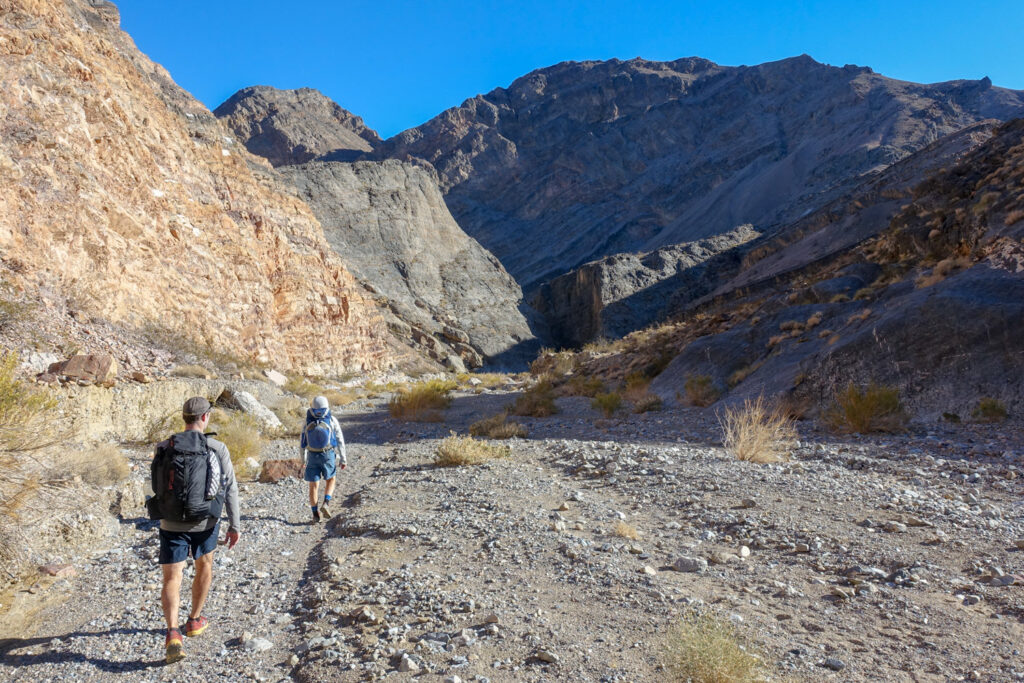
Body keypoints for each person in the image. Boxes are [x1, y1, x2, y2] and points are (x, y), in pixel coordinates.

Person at [153, 396, 240, 664]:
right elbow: (230, 488)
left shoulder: (164, 446)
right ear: (206, 417)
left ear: (184, 418)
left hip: (171, 522)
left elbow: (156, 484)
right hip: (206, 522)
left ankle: (173, 633)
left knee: (172, 577)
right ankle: (194, 620)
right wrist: (234, 524)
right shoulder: (217, 447)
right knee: (205, 565)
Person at [300, 395, 346, 523]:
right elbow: (340, 439)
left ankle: (315, 514)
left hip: (311, 455)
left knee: (313, 486)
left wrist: (303, 460)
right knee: (331, 479)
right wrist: (343, 459)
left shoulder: (307, 421)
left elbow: (302, 442)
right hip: (328, 454)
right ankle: (326, 502)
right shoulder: (331, 419)